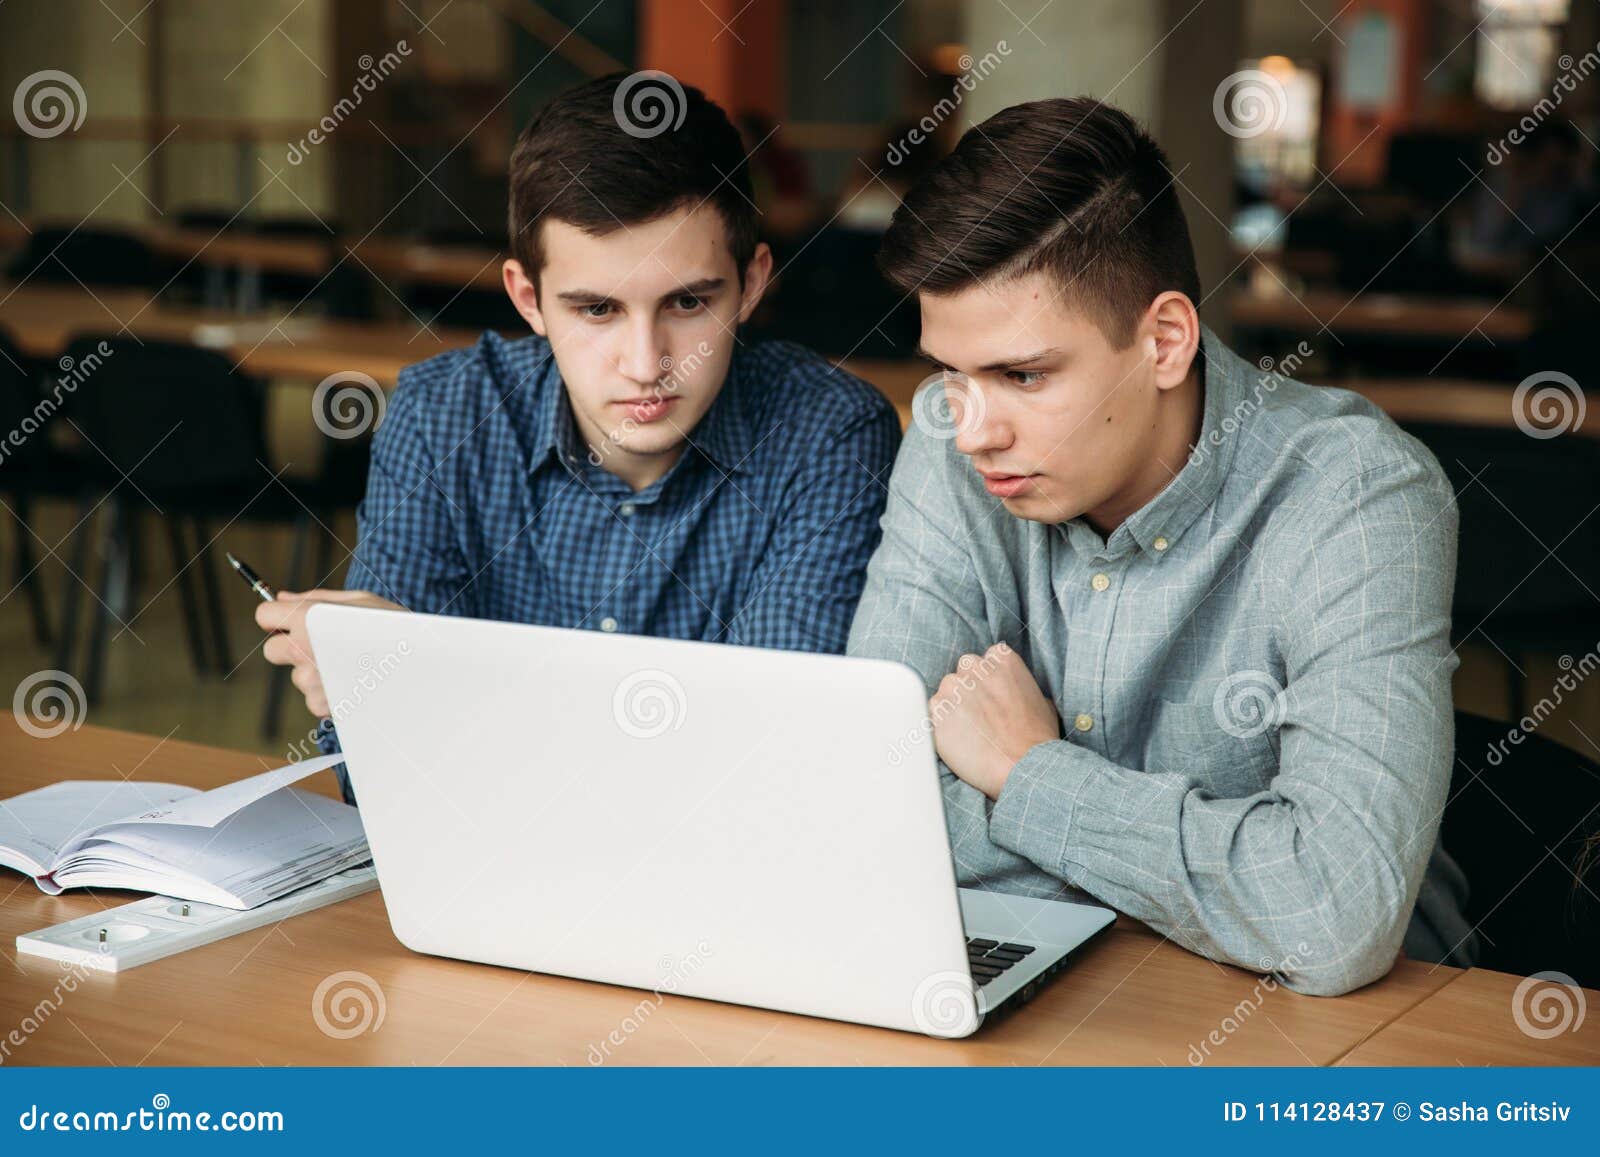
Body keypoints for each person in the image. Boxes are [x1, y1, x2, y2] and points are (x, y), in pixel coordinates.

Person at [847, 96, 1475, 996]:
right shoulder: (952, 438)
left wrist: (1028, 774)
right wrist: (1220, 877)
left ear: (1165, 341)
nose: (973, 425)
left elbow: (1330, 914)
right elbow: (865, 807)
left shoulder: (1358, 493)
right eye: (950, 372)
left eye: (1024, 374)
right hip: (1062, 990)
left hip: (1335, 1034)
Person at [256, 74, 900, 803]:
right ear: (528, 299)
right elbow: (377, 779)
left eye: (688, 302)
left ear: (751, 285)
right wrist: (386, 694)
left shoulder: (830, 433)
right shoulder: (442, 417)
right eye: (596, 309)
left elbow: (769, 766)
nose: (647, 362)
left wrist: (438, 689)